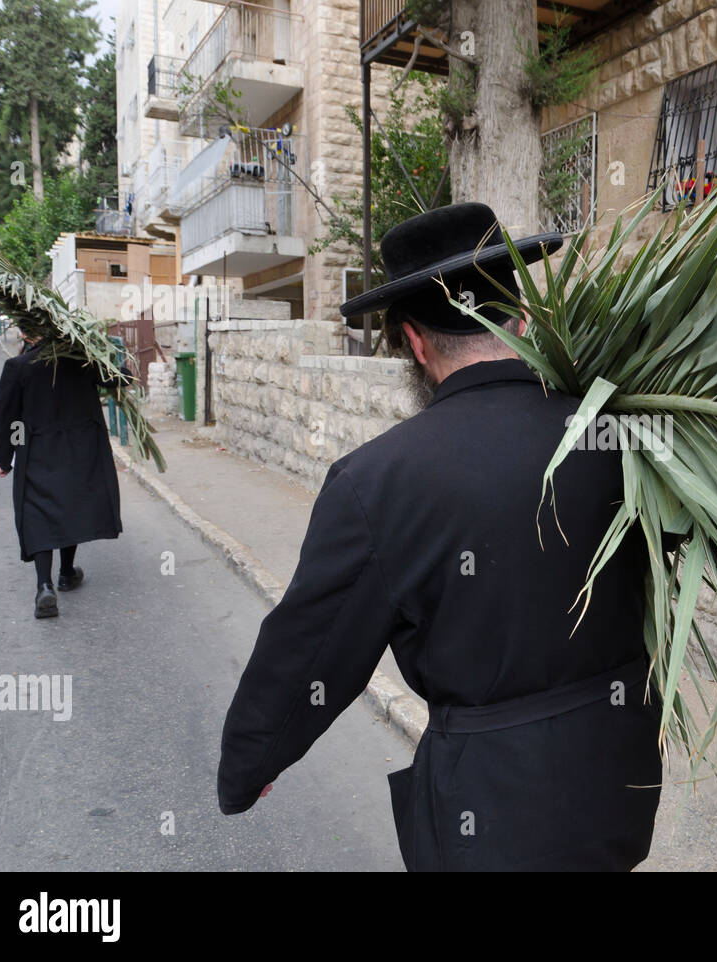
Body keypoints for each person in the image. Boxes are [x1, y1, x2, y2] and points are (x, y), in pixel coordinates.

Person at [218, 203, 664, 871]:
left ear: (415, 342)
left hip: (492, 809)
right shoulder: (620, 435)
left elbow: (311, 647)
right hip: (621, 779)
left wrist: (250, 766)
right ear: (518, 319)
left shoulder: (378, 481)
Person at [0, 336, 126, 618]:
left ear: (28, 334)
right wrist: (115, 359)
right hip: (79, 452)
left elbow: (9, 418)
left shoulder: (19, 366)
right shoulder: (80, 361)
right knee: (69, 508)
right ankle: (66, 573)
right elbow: (120, 379)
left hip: (36, 453)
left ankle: (45, 586)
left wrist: (7, 456)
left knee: (40, 514)